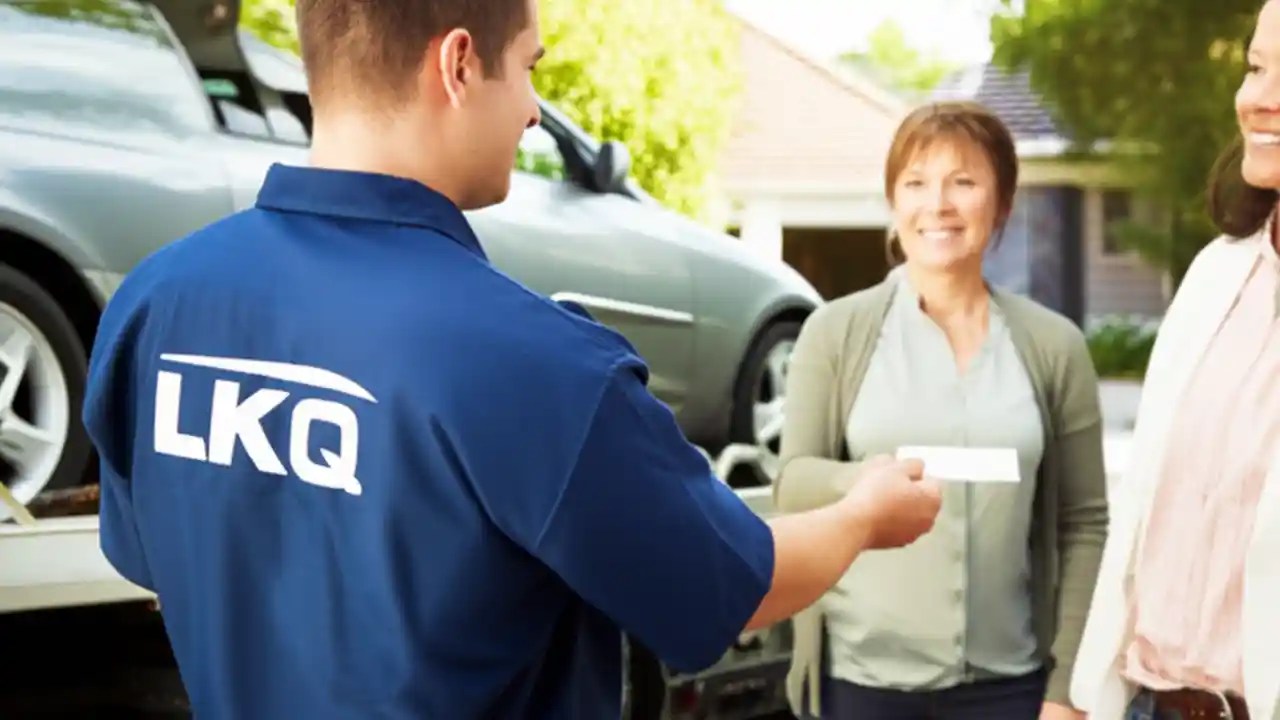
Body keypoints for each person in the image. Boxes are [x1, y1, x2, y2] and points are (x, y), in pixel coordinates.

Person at [79, 1, 944, 718]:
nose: (534, 109)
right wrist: (865, 515)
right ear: (458, 64)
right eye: (530, 67)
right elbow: (739, 585)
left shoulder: (156, 302)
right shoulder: (537, 364)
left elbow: (159, 559)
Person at [773, 100, 1109, 720]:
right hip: (861, 684)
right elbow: (792, 485)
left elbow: (1084, 524)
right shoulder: (834, 332)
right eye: (917, 183)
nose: (939, 205)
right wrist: (862, 480)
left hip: (1011, 688)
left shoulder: (1053, 346)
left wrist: (1067, 690)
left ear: (1002, 203)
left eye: (964, 182)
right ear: (894, 202)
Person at [1071, 4, 1280, 719]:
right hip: (1154, 704)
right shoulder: (1215, 275)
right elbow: (1141, 512)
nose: (1258, 98)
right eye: (1256, 67)